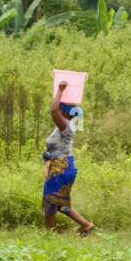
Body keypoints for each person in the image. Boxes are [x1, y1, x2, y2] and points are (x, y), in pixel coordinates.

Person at [43, 80, 95, 235]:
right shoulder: (63, 126)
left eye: (62, 107)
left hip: (62, 167)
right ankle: (86, 225)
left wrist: (60, 90)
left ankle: (50, 236)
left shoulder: (66, 127)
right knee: (58, 202)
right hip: (62, 166)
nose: (59, 107)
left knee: (50, 201)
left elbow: (53, 110)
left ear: (65, 112)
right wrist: (47, 164)